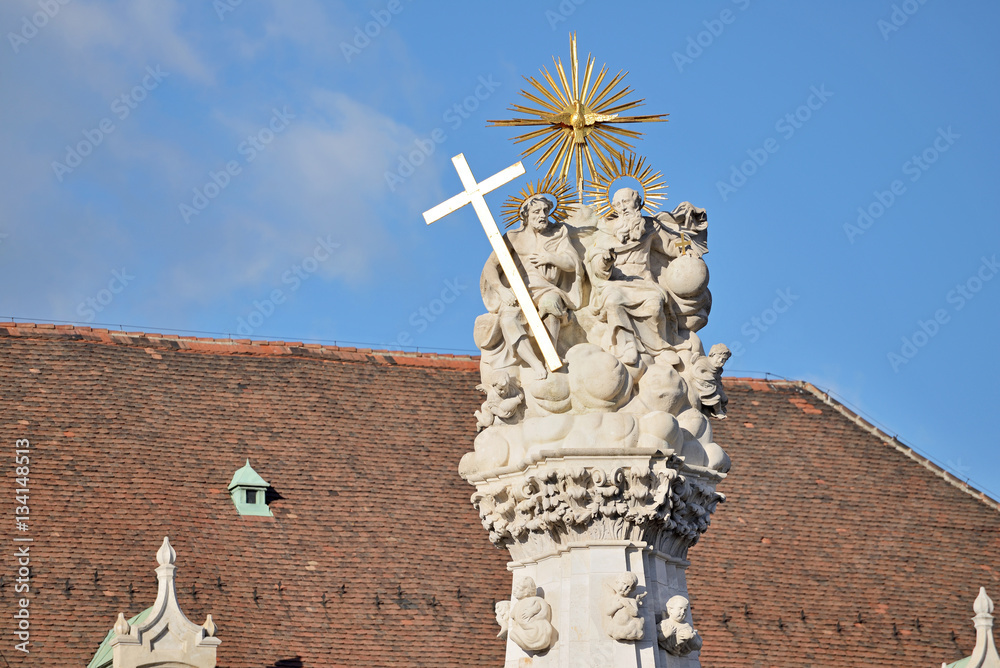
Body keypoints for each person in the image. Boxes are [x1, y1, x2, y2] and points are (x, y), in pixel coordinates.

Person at [479, 194, 584, 380]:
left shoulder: (557, 234)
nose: (542, 215)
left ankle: (551, 355)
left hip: (547, 288)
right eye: (536, 211)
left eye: (545, 211)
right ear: (525, 215)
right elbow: (490, 267)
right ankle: (535, 364)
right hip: (519, 291)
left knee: (551, 304)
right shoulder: (513, 237)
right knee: (508, 320)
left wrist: (551, 258)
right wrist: (502, 290)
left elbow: (572, 263)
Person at [585, 187, 677, 366]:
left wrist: (686, 252)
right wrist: (605, 261)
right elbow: (596, 261)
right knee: (613, 300)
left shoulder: (650, 227)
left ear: (638, 202)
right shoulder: (606, 230)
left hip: (644, 281)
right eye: (618, 204)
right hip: (615, 282)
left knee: (655, 304)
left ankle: (659, 349)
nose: (623, 207)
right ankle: (626, 345)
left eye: (626, 202)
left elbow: (670, 246)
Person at [602, 572, 646, 641]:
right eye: (624, 583)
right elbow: (608, 612)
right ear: (617, 582)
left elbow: (635, 613)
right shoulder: (614, 599)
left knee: (635, 630)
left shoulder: (631, 600)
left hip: (629, 627)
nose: (625, 588)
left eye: (629, 587)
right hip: (616, 627)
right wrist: (617, 606)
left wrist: (627, 604)